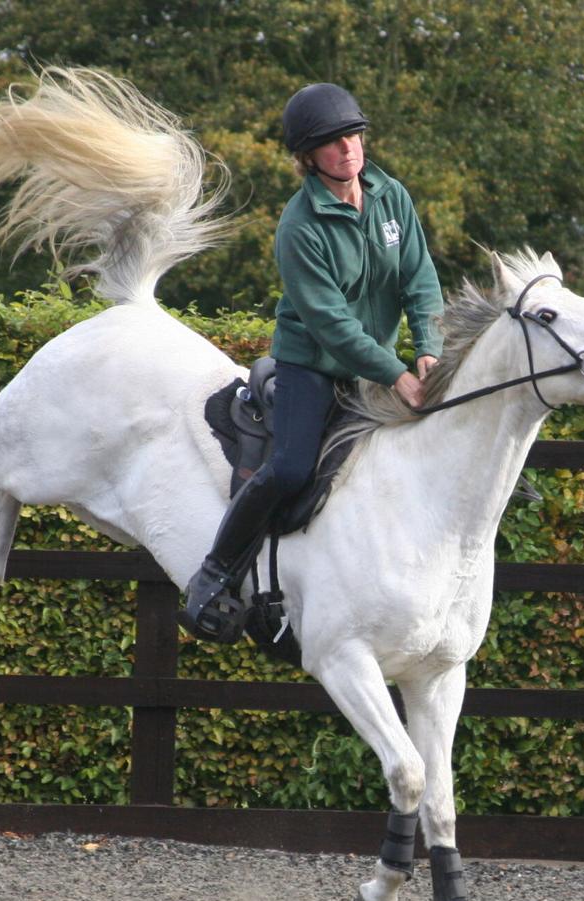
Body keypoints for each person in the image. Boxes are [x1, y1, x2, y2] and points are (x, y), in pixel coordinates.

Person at [178, 82, 444, 642]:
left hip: (379, 363)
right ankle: (213, 573)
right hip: (313, 365)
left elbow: (420, 279)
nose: (348, 149)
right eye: (332, 143)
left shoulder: (391, 194)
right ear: (308, 157)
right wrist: (394, 373)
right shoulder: (299, 227)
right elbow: (332, 327)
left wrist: (427, 350)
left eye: (353, 135)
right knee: (295, 467)